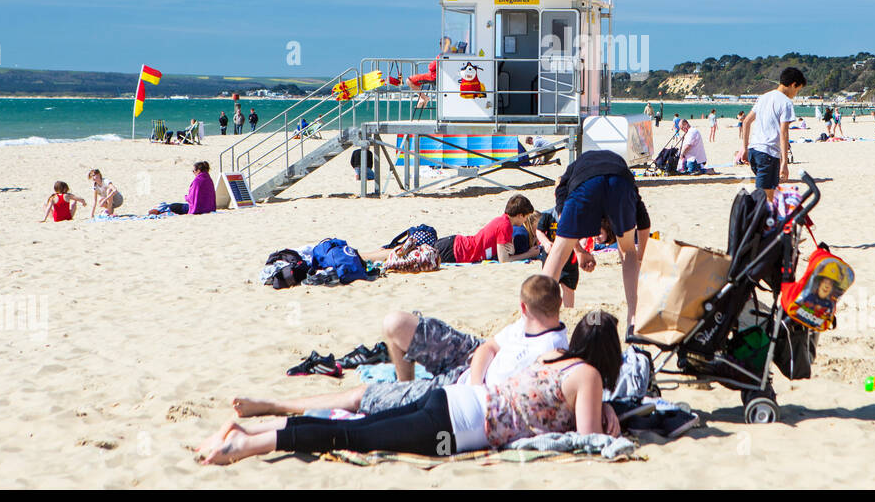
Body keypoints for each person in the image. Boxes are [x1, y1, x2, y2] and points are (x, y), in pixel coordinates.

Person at [196, 310, 623, 465]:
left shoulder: (554, 356)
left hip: (454, 400)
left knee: (364, 422)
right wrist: (612, 422)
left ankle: (248, 432)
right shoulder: (588, 375)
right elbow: (584, 441)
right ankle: (247, 445)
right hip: (457, 426)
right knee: (353, 435)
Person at [228, 276, 568, 418]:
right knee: (395, 324)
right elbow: (488, 347)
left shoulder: (555, 350)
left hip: (460, 391)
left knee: (364, 396)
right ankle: (407, 387)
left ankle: (273, 405)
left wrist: (474, 388)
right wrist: (477, 376)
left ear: (523, 307)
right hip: (469, 361)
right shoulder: (524, 326)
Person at [542, 150, 645, 322]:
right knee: (628, 251)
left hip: (587, 182)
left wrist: (579, 250)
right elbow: (642, 220)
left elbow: (564, 220)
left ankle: (536, 313)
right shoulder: (625, 181)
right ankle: (634, 319)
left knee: (559, 251)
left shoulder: (568, 180)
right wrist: (639, 255)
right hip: (620, 181)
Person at [368, 195, 538, 268]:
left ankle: (368, 255)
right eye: (525, 218)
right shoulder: (506, 225)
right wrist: (528, 253)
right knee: (406, 255)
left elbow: (504, 253)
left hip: (455, 244)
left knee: (408, 252)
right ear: (520, 214)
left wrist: (514, 251)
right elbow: (504, 261)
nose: (525, 221)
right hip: (456, 251)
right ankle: (366, 256)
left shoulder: (502, 220)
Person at [739, 67, 805, 201]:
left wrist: (745, 149)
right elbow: (784, 132)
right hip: (768, 154)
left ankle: (764, 220)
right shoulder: (786, 102)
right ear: (793, 85)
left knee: (769, 195)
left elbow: (746, 122)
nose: (795, 94)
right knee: (765, 199)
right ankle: (758, 221)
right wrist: (784, 163)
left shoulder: (764, 97)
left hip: (754, 151)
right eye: (797, 90)